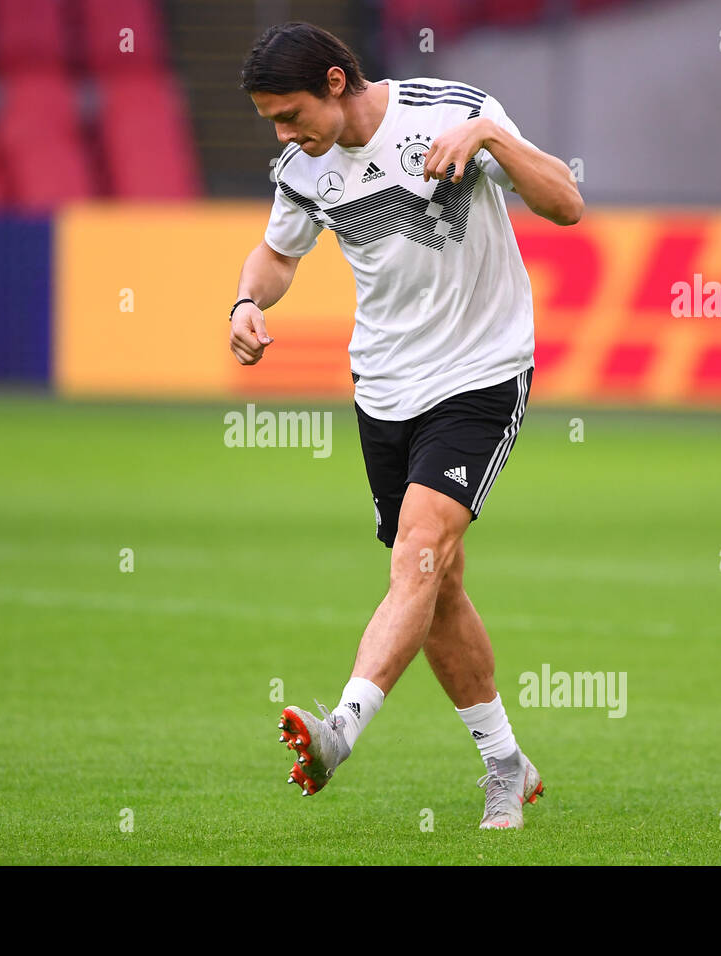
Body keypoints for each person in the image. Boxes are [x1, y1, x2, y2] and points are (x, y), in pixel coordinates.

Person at [229, 21, 583, 829]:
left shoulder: (453, 112)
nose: (285, 136)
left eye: (291, 115)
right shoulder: (302, 167)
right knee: (436, 583)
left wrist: (493, 135)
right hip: (384, 387)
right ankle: (506, 765)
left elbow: (566, 203)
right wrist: (247, 300)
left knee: (419, 554)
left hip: (482, 374)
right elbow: (277, 255)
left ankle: (340, 731)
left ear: (334, 81)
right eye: (272, 124)